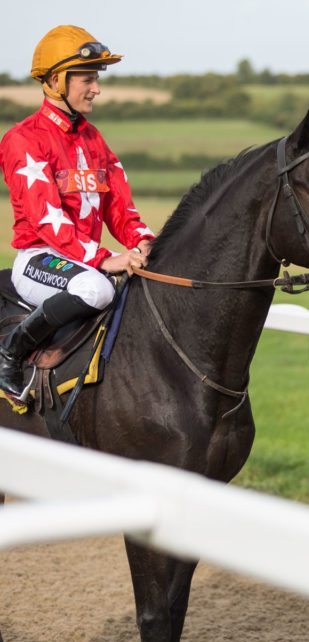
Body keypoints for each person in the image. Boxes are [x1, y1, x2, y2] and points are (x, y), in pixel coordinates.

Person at [0, 25, 153, 407]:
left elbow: (120, 208)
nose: (96, 89)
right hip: (40, 258)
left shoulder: (94, 139)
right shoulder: (22, 139)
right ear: (55, 81)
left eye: (96, 79)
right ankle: (9, 353)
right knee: (97, 289)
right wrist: (105, 258)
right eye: (86, 79)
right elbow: (46, 220)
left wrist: (144, 241)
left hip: (81, 260)